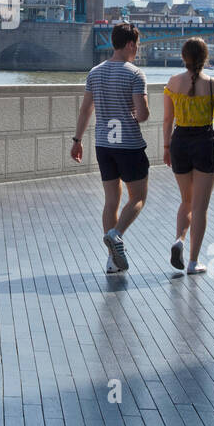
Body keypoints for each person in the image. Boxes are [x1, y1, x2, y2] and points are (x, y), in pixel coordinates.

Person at [72, 22, 149, 274]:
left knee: (111, 201)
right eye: (136, 44)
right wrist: (138, 109)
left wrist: (77, 140)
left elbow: (86, 109)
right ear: (129, 44)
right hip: (129, 145)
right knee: (137, 197)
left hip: (103, 144)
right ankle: (116, 235)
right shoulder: (135, 74)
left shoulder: (94, 72)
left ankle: (112, 261)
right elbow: (143, 113)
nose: (137, 49)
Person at [162, 37, 214, 275]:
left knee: (186, 201)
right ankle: (193, 262)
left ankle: (179, 239)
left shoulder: (173, 83)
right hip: (205, 143)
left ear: (184, 58)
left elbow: (167, 120)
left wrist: (166, 146)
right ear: (205, 59)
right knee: (200, 207)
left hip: (179, 143)